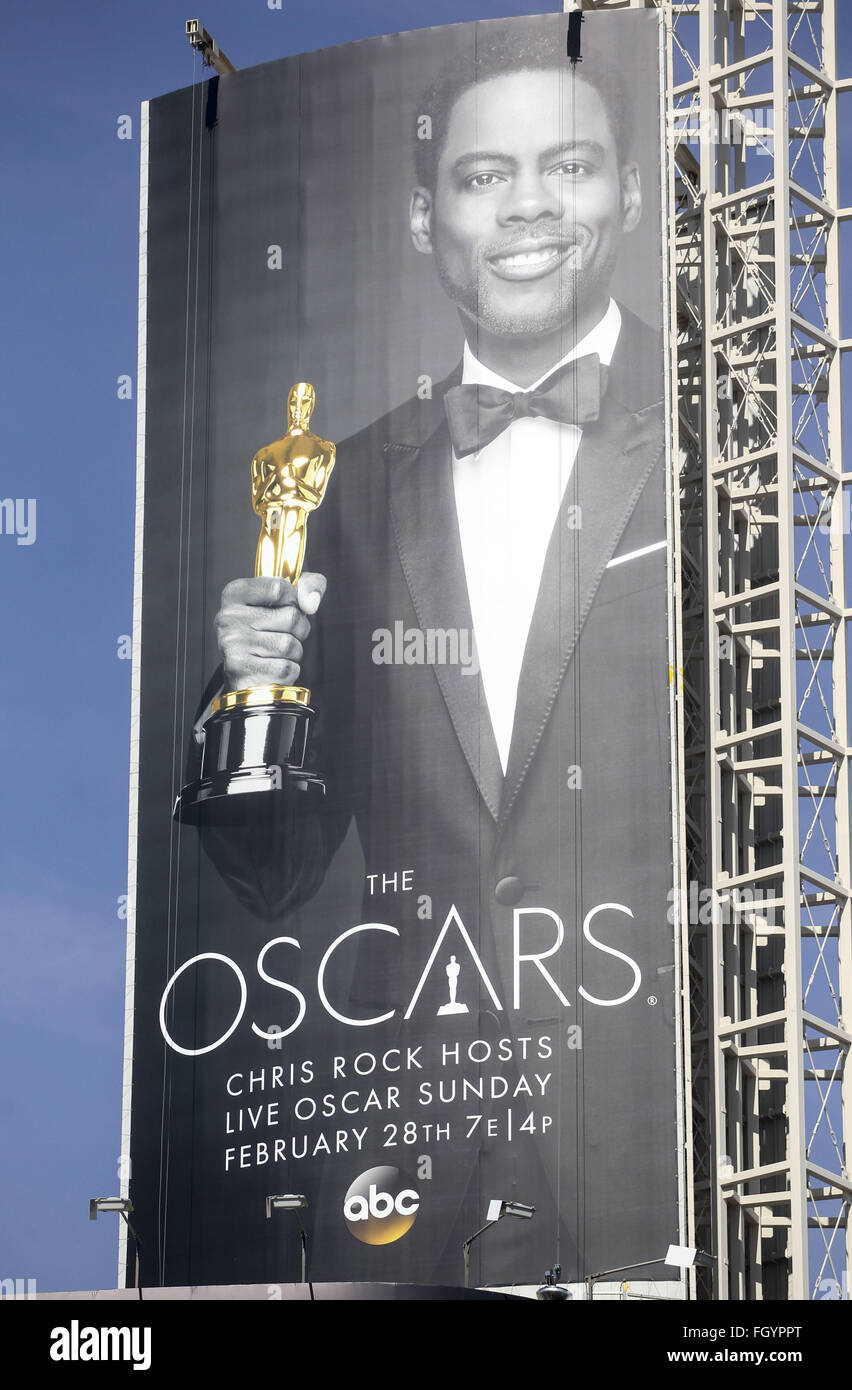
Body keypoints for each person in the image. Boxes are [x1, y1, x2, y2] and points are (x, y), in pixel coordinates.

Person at [193, 25, 677, 1283]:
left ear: (629, 194)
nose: (527, 206)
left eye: (568, 165)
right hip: (412, 1150)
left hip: (670, 1132)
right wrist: (249, 691)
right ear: (425, 220)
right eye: (482, 175)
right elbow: (274, 872)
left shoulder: (722, 425)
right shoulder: (344, 489)